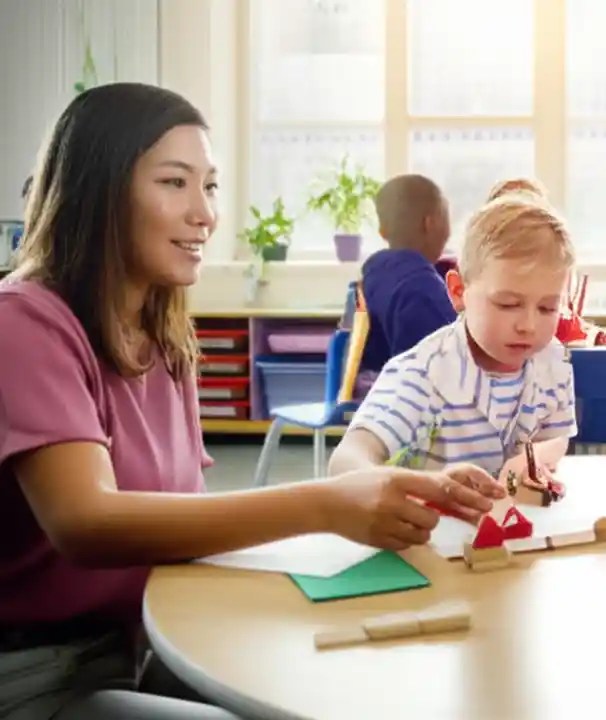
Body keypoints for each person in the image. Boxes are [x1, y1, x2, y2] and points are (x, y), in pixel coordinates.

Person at [0, 83, 502, 720]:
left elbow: (183, 517)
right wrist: (323, 503)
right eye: (174, 183)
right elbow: (86, 522)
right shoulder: (24, 323)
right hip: (40, 675)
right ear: (100, 190)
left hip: (146, 641)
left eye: (209, 187)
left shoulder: (163, 337)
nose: (206, 213)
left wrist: (412, 489)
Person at [329, 193, 578, 488]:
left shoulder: (553, 361)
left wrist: (530, 457)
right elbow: (346, 460)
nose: (528, 325)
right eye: (508, 304)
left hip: (519, 526)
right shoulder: (423, 372)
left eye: (548, 308)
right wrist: (398, 485)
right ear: (459, 292)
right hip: (431, 529)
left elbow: (557, 437)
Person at [358, 174, 457, 379]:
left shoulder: (375, 274)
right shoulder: (421, 292)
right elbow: (449, 369)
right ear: (430, 223)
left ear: (383, 232)